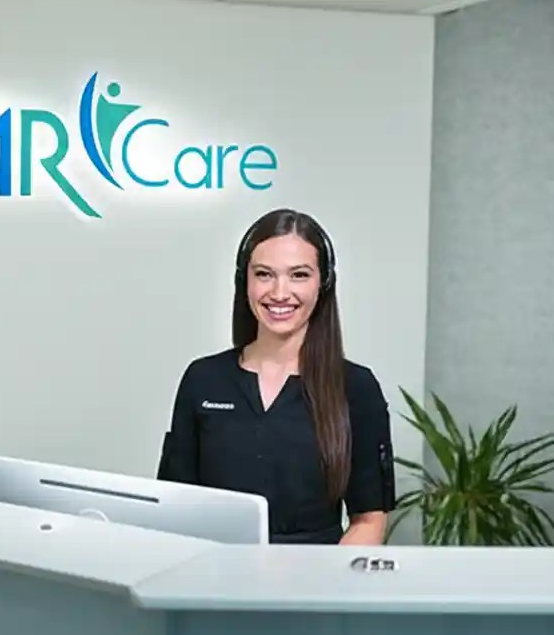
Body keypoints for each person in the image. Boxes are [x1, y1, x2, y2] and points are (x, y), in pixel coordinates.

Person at [157, 208, 394, 545]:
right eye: (264, 274)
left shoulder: (356, 388)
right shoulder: (203, 379)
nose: (280, 292)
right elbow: (174, 508)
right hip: (213, 584)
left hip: (316, 585)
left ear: (323, 282)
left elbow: (369, 520)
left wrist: (323, 589)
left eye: (299, 275)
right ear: (245, 282)